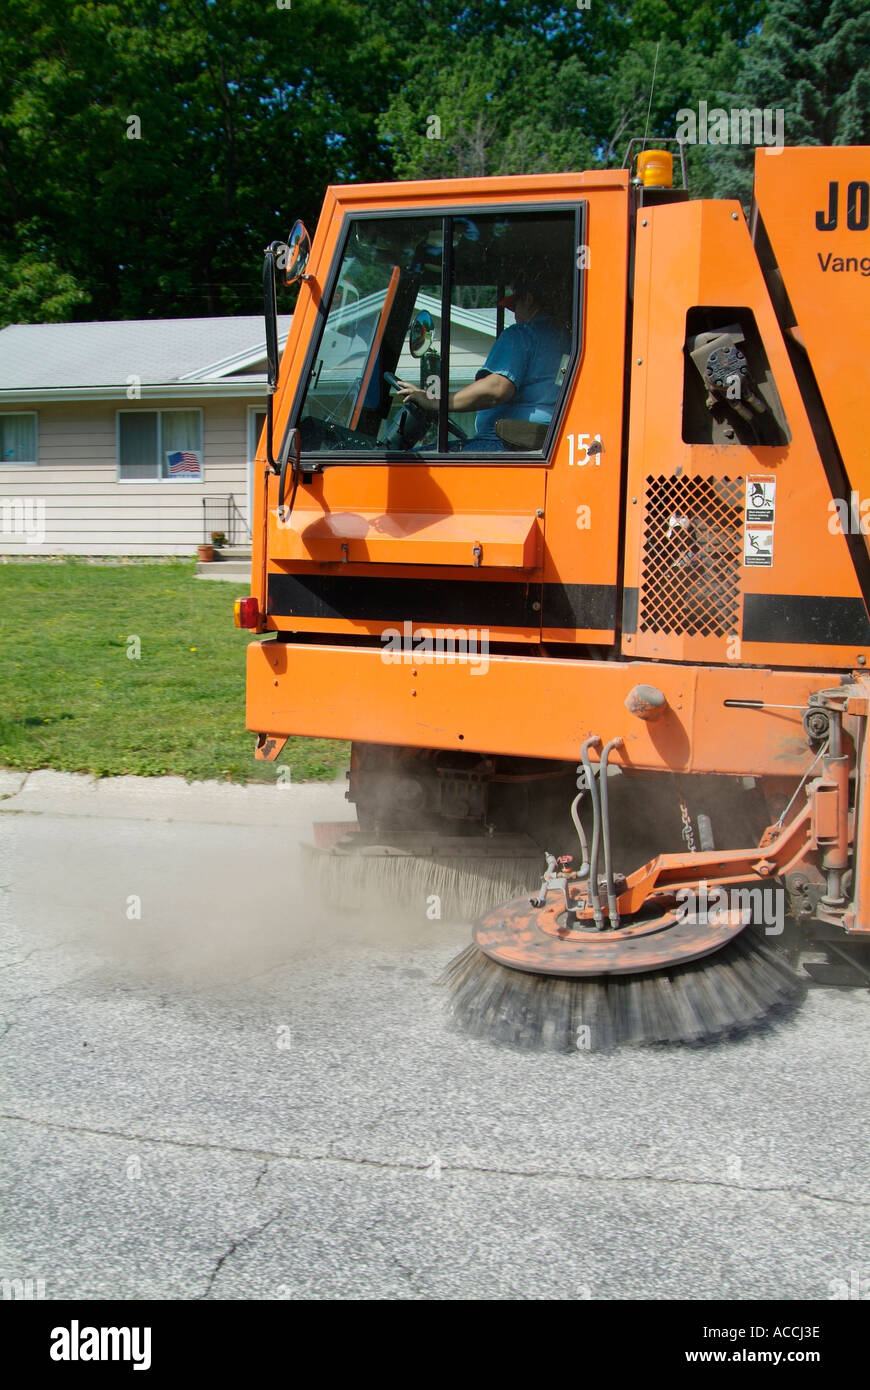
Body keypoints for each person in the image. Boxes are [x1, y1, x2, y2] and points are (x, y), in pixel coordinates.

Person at [394, 275, 572, 451]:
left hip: (505, 444)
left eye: (515, 305)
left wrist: (434, 401)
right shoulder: (568, 339)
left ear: (528, 299)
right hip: (544, 447)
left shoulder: (522, 334)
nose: (514, 315)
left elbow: (496, 390)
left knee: (409, 461)